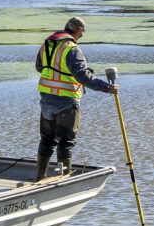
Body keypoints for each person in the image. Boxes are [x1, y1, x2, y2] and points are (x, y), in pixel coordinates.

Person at [35, 15, 116, 182]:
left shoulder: (48, 43)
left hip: (46, 99)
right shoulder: (72, 48)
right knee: (66, 142)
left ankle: (39, 177)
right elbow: (82, 76)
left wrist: (60, 72)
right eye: (82, 32)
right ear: (78, 30)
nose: (82, 36)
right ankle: (64, 179)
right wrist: (107, 87)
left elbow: (39, 67)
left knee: (47, 140)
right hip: (66, 100)